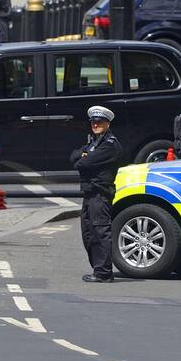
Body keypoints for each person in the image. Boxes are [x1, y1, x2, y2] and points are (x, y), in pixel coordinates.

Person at [72, 105, 122, 282]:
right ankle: (97, 269)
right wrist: (84, 155)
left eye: (99, 122)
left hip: (100, 194)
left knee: (100, 232)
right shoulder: (94, 142)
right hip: (89, 193)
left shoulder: (110, 145)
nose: (95, 124)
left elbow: (81, 164)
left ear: (108, 123)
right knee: (88, 233)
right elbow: (73, 157)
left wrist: (85, 157)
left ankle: (103, 273)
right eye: (93, 122)